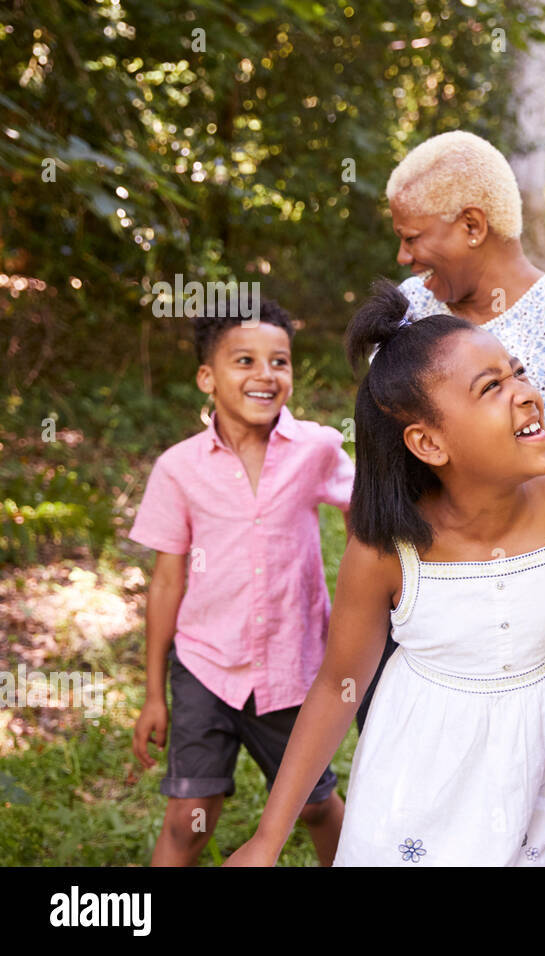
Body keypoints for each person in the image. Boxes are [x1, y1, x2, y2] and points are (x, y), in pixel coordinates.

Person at [225, 282, 545, 866]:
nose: (525, 393)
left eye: (517, 371)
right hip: (417, 787)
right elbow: (337, 685)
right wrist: (268, 837)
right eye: (491, 387)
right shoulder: (386, 549)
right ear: (428, 442)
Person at [354, 130, 545, 738]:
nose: (403, 257)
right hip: (421, 604)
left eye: (412, 237)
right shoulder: (408, 313)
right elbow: (382, 465)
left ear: (472, 226)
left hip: (528, 618)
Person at [129, 300, 353, 866]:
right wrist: (155, 693)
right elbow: (166, 583)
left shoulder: (318, 448)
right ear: (207, 377)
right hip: (206, 667)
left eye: (280, 361)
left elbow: (366, 522)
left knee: (314, 804)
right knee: (188, 818)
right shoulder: (178, 468)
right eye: (245, 361)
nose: (265, 374)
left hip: (289, 668)